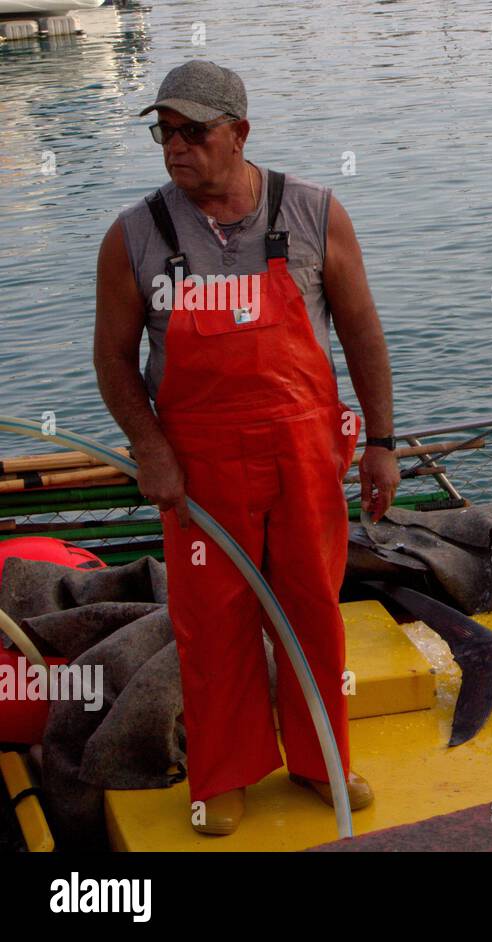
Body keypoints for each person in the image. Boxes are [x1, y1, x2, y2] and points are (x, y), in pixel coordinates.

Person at [93, 60, 401, 836]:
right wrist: (149, 448)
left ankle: (319, 757)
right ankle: (221, 775)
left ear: (240, 133)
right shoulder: (134, 236)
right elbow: (111, 357)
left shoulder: (314, 212)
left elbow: (362, 331)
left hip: (302, 451)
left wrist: (383, 442)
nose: (176, 147)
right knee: (212, 621)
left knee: (310, 610)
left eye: (194, 131)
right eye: (166, 133)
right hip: (197, 462)